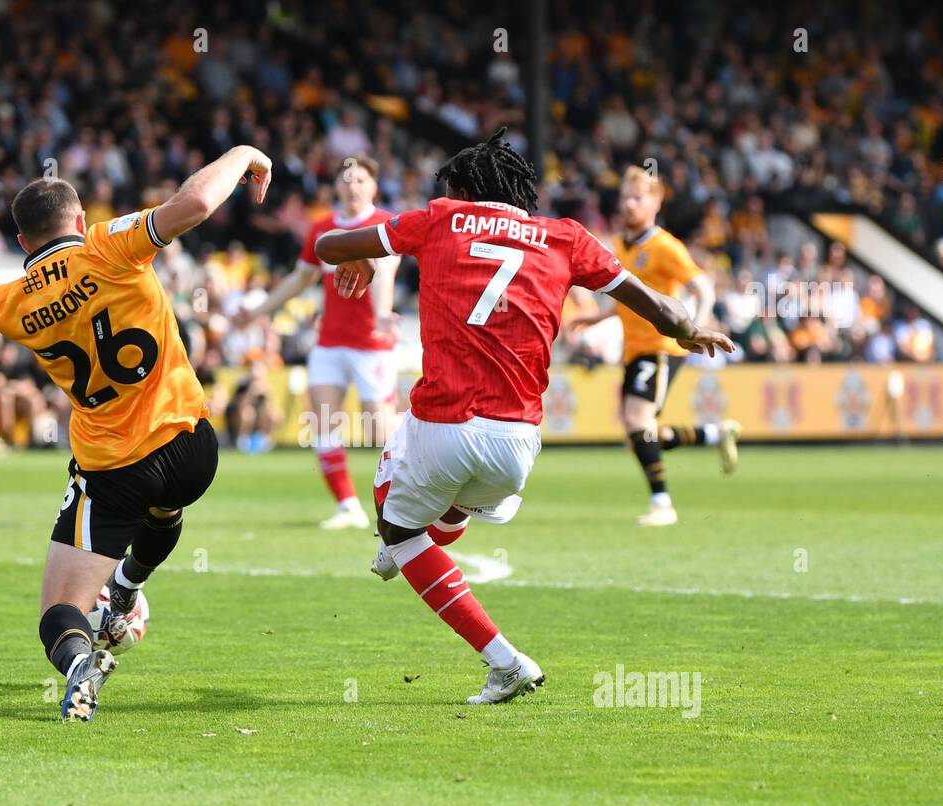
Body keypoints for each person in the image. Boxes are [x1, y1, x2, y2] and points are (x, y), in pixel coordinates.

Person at [0, 142, 273, 721]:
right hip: (195, 446)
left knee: (58, 614)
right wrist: (245, 153)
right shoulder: (110, 244)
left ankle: (82, 664)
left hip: (116, 470)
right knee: (166, 508)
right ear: (79, 221)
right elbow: (199, 200)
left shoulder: (12, 299)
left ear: (23, 243)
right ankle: (126, 586)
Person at [315, 130, 734, 704]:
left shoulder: (439, 217)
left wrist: (363, 255)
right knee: (449, 497)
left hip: (443, 424)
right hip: (519, 444)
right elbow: (660, 307)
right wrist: (690, 332)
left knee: (396, 523)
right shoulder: (566, 237)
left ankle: (504, 660)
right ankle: (447, 518)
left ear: (462, 190)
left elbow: (327, 246)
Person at [569, 166, 741, 526]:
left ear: (656, 202)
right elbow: (629, 301)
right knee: (639, 436)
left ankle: (662, 504)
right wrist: (596, 319)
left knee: (635, 420)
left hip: (663, 346)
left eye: (638, 198)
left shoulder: (664, 246)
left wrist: (697, 325)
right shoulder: (620, 246)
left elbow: (702, 287)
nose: (629, 205)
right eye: (625, 198)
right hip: (633, 349)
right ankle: (714, 433)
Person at [240, 156, 399, 529]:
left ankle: (401, 509)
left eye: (360, 179)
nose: (352, 185)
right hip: (330, 342)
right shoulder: (323, 229)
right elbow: (300, 279)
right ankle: (347, 506)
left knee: (381, 431)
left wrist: (382, 314)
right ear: (335, 188)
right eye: (346, 179)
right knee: (324, 422)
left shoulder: (385, 224)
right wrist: (259, 309)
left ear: (373, 186)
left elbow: (386, 272)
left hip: (371, 345)